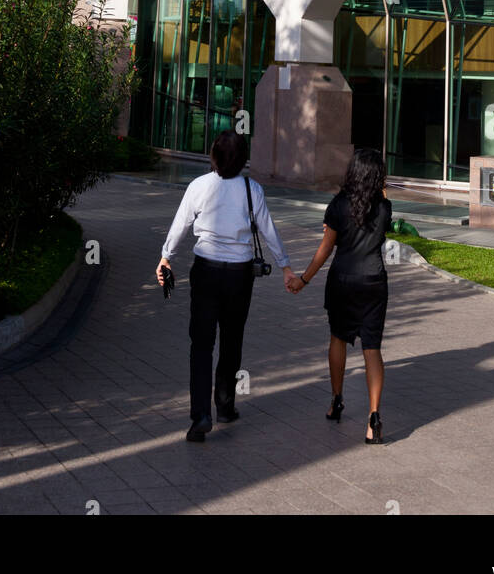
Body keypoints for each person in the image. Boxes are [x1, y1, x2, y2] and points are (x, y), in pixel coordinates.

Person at [156, 129, 299, 443]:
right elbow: (270, 231)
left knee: (201, 344)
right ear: (244, 160)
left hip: (205, 271)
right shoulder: (252, 189)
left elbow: (181, 223)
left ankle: (200, 417)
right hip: (239, 275)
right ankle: (225, 405)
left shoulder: (199, 186)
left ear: (213, 157)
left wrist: (166, 257)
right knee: (232, 339)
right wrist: (286, 266)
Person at [290, 148, 392, 445]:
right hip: (374, 282)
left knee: (338, 339)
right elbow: (381, 203)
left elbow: (325, 249)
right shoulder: (384, 208)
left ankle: (336, 401)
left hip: (343, 281)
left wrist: (303, 280)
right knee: (372, 349)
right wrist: (381, 190)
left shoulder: (338, 206)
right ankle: (374, 418)